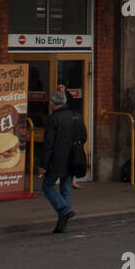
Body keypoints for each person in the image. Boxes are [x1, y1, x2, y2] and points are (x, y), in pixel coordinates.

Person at [37, 90, 87, 234]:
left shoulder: (53, 119)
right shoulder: (77, 116)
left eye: (50, 102)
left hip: (56, 159)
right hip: (73, 157)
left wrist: (43, 165)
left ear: (52, 103)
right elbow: (84, 136)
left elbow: (48, 145)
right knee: (66, 187)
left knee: (47, 186)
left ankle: (65, 210)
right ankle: (63, 225)